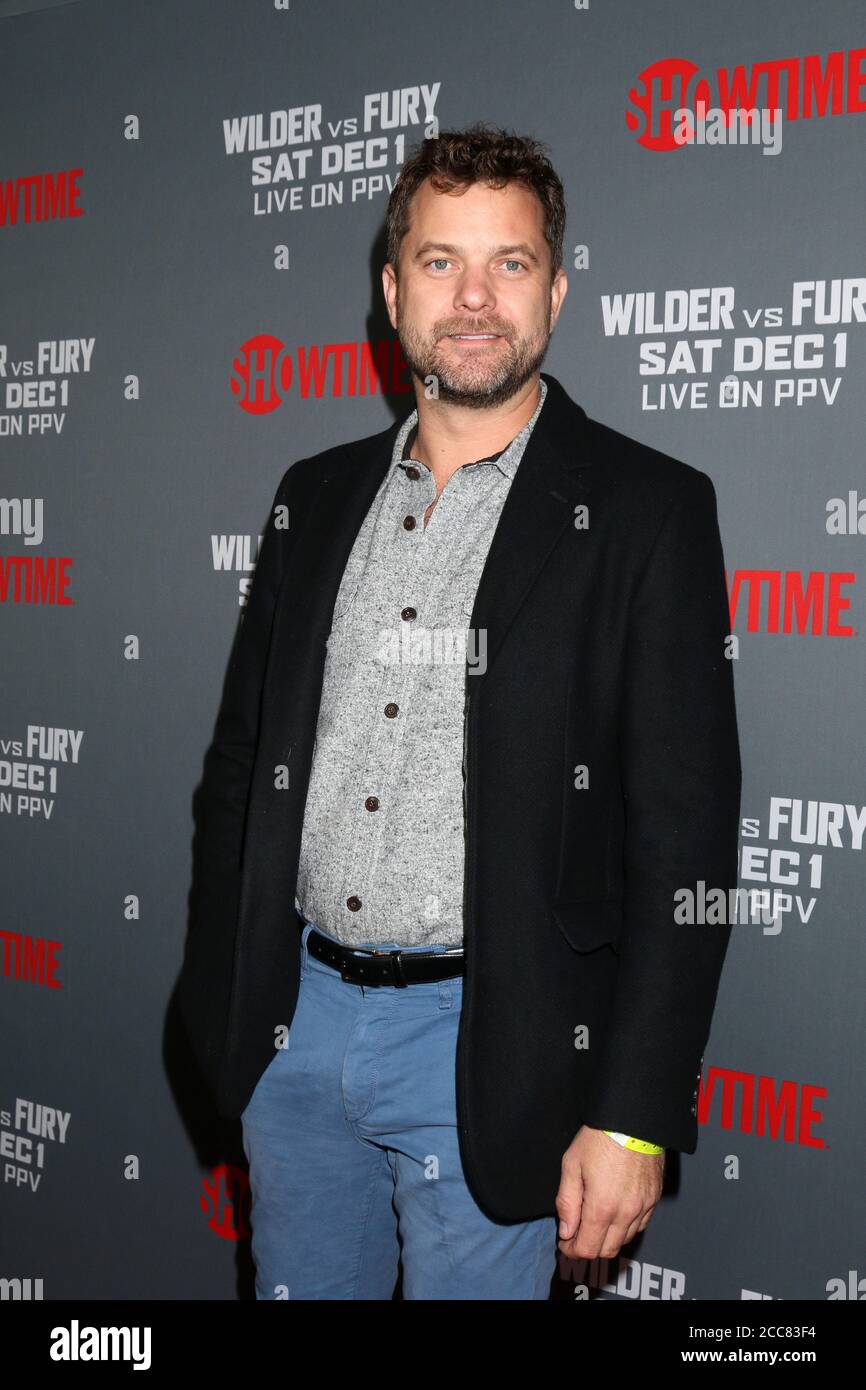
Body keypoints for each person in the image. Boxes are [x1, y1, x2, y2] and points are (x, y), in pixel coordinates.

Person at [179, 123, 742, 1300]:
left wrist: (635, 1116)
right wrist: (222, 1004)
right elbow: (239, 769)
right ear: (391, 292)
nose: (474, 297)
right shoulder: (313, 495)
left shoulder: (647, 510)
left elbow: (683, 841)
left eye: (511, 262)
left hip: (495, 1045)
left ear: (558, 288)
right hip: (294, 1030)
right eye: (440, 262)